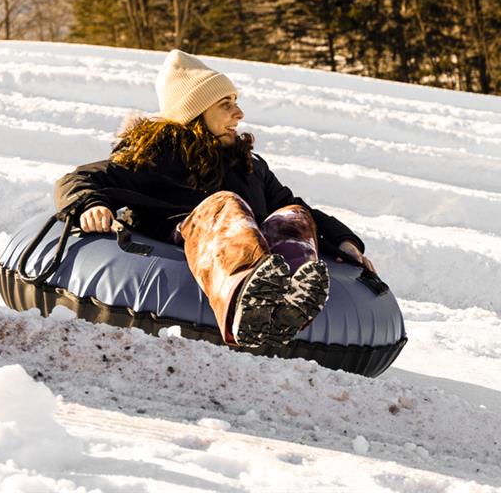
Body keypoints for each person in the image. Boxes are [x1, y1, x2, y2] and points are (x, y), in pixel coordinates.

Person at [53, 49, 373, 348]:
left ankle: (289, 301)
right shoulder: (155, 156)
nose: (239, 113)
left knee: (293, 215)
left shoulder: (247, 166)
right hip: (184, 234)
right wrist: (90, 204)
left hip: (249, 240)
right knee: (226, 203)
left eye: (235, 101)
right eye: (225, 104)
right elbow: (79, 178)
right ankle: (247, 303)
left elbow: (295, 206)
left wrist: (344, 242)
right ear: (195, 113)